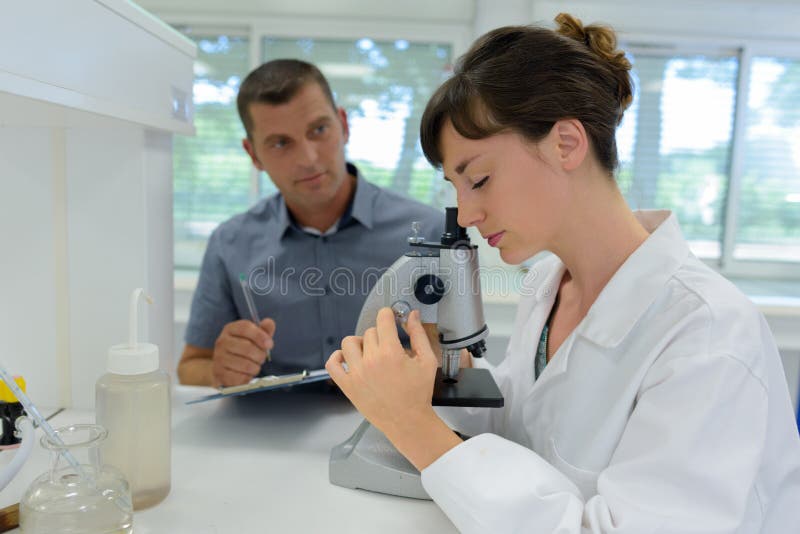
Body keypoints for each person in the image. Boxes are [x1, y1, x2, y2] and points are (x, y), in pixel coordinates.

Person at [326, 13, 800, 533]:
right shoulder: (547, 284)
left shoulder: (708, 336)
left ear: (567, 144)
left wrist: (413, 425)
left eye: (479, 179)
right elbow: (522, 427)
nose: (464, 215)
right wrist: (428, 376)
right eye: (455, 188)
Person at [178, 59, 443, 387]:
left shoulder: (429, 234)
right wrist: (221, 370)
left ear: (343, 125)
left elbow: (463, 361)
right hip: (274, 430)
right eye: (280, 143)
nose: (308, 158)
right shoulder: (228, 244)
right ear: (253, 155)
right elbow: (191, 366)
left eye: (319, 130)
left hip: (396, 427)